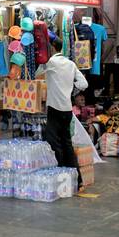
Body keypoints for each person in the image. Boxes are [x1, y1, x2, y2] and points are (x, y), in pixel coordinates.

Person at [41, 38, 87, 189]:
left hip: (54, 108)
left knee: (54, 143)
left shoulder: (51, 63)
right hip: (67, 109)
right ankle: (77, 180)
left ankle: (60, 176)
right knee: (67, 143)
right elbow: (84, 84)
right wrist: (70, 90)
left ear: (53, 48)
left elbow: (36, 73)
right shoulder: (71, 64)